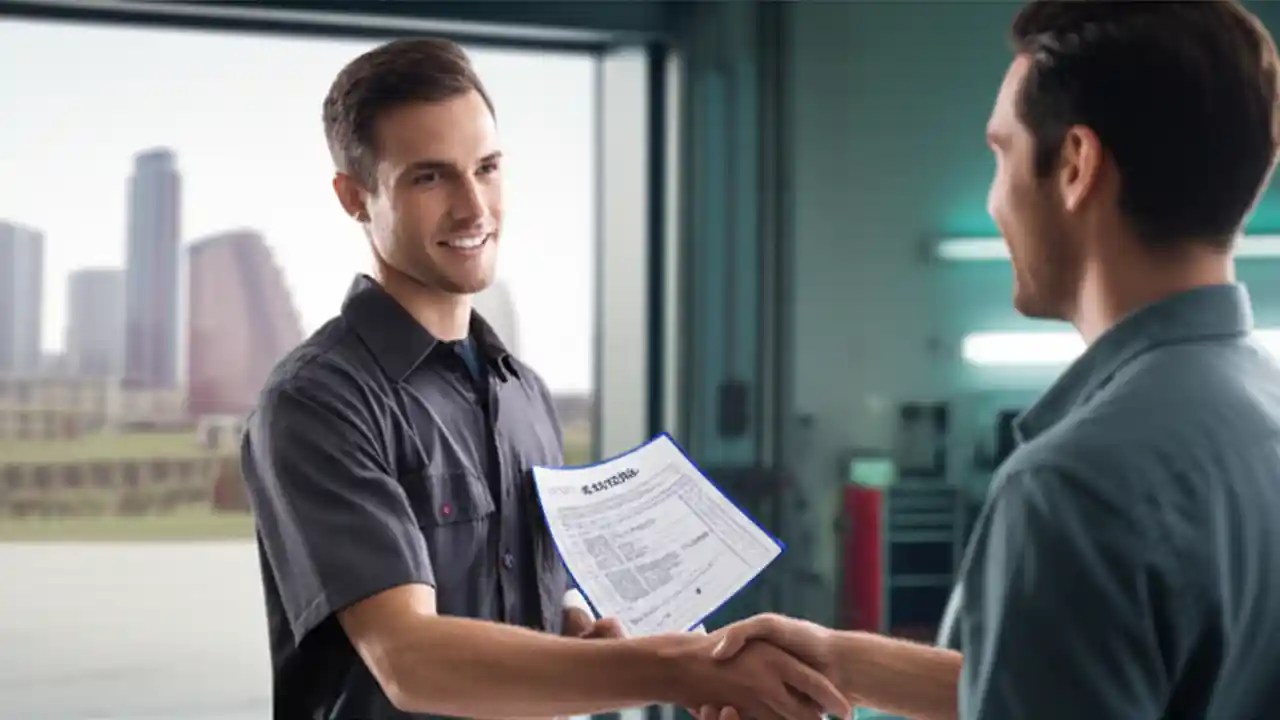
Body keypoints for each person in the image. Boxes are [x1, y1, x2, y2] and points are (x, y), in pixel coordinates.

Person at [239, 37, 851, 720]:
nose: (475, 208)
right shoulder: (320, 400)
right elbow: (409, 660)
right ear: (355, 197)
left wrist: (581, 638)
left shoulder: (521, 392)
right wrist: (684, 672)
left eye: (488, 167)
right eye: (430, 177)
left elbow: (523, 596)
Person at [707, 2, 1280, 719]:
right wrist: (844, 660)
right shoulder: (1260, 410)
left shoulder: (1076, 486)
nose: (995, 196)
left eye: (1001, 153)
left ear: (1075, 165)